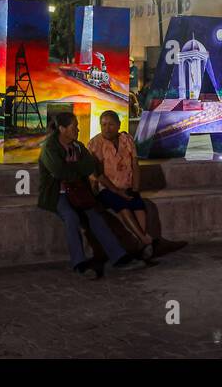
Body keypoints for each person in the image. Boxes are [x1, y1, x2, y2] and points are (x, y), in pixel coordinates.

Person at [38, 112, 146, 278]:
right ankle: (79, 264)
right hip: (57, 194)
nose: (78, 130)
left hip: (79, 193)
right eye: (74, 127)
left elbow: (92, 169)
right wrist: (78, 170)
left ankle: (119, 257)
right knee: (71, 217)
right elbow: (60, 172)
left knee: (96, 216)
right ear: (62, 129)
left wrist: (116, 191)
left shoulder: (78, 147)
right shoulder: (49, 148)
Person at [87, 110, 155, 258]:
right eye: (103, 124)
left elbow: (135, 164)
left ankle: (140, 244)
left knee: (139, 205)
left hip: (127, 185)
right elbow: (99, 175)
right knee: (122, 205)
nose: (107, 128)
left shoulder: (127, 139)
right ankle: (144, 240)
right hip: (106, 188)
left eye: (111, 124)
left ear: (118, 125)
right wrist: (117, 191)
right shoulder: (94, 144)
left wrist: (135, 188)